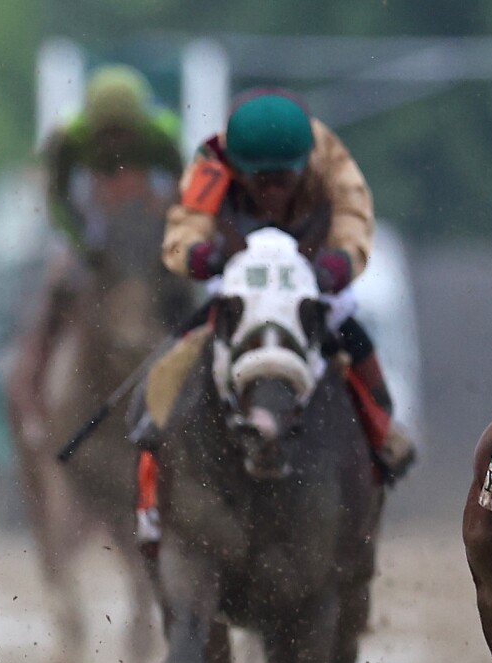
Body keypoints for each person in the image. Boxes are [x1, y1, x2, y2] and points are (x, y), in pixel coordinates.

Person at [161, 89, 414, 480]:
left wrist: (340, 261)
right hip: (238, 275)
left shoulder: (326, 152)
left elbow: (353, 213)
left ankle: (382, 431)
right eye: (261, 181)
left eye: (284, 179)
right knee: (179, 347)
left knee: (353, 336)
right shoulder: (213, 159)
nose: (273, 194)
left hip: (311, 272)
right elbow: (188, 220)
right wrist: (197, 253)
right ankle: (153, 436)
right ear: (237, 167)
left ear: (304, 162)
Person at [10, 65, 183, 440]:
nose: (116, 143)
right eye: (108, 134)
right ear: (92, 128)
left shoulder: (162, 135)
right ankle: (32, 387)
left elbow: (184, 196)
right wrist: (84, 245)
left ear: (140, 126)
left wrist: (166, 238)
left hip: (144, 226)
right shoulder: (67, 140)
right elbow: (56, 199)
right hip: (91, 222)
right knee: (59, 286)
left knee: (185, 287)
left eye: (124, 134)